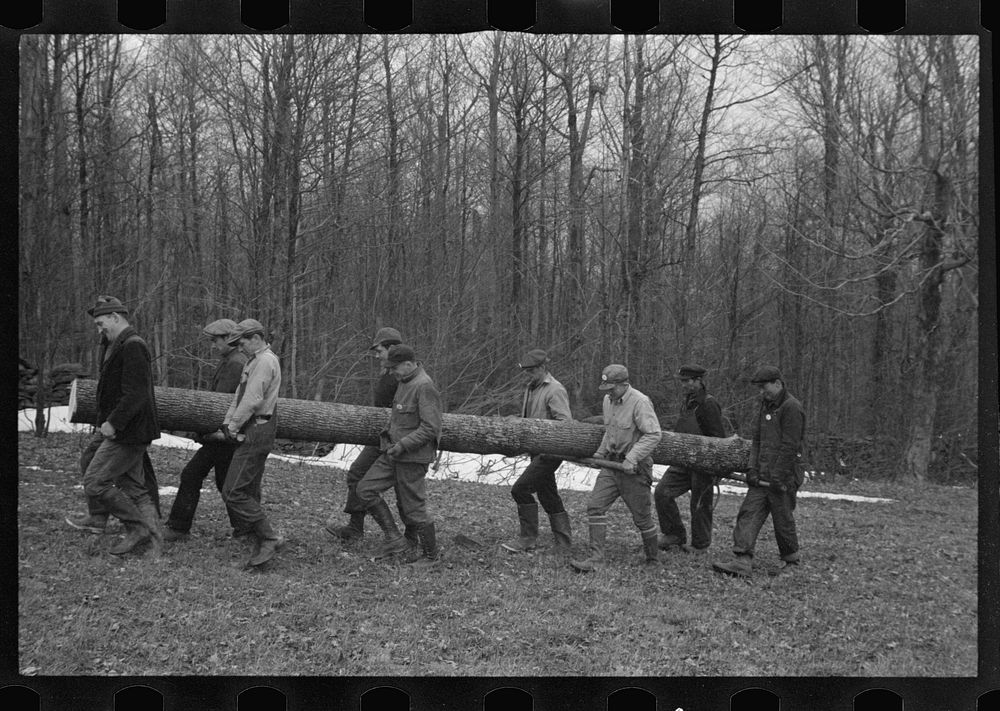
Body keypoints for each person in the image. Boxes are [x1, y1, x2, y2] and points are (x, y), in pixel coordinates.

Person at [65, 296, 162, 556]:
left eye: (101, 324)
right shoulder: (115, 344)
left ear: (115, 317)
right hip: (119, 427)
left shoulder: (133, 345)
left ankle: (138, 529)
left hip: (128, 430)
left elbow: (136, 394)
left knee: (95, 482)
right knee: (130, 485)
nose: (99, 330)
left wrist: (113, 423)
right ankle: (148, 542)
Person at [712, 365, 805, 578]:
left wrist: (779, 476)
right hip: (762, 474)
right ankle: (742, 560)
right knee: (749, 513)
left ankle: (791, 560)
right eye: (759, 388)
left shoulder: (792, 408)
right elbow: (758, 441)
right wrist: (752, 468)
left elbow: (790, 446)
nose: (762, 392)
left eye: (764, 387)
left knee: (782, 518)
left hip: (785, 476)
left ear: (778, 383)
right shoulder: (766, 406)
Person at [355, 344, 443, 566]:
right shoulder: (404, 382)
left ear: (408, 364)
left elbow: (431, 427)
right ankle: (395, 540)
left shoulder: (424, 386)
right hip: (393, 453)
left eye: (394, 368)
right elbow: (398, 418)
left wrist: (403, 445)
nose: (391, 372)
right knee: (365, 489)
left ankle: (431, 556)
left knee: (413, 507)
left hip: (413, 457)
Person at [162, 319, 248, 542]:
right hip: (222, 435)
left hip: (222, 436)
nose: (213, 345)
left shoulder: (235, 363)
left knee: (193, 475)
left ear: (229, 338)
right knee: (225, 483)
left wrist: (206, 431)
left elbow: (220, 404)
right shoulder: (231, 360)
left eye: (216, 340)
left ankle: (178, 527)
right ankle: (245, 529)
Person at [570, 364, 663, 572]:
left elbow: (653, 434)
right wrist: (600, 453)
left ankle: (653, 559)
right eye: (606, 389)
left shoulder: (640, 402)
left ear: (624, 384)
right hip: (611, 465)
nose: (609, 393)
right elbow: (609, 430)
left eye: (612, 389)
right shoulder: (608, 401)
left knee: (642, 518)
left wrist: (632, 458)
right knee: (595, 506)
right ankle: (596, 559)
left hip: (635, 468)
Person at [212, 318, 283, 568]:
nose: (239, 348)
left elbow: (252, 399)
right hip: (251, 427)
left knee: (233, 491)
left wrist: (232, 427)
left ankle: (269, 537)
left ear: (256, 338)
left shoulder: (265, 361)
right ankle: (259, 539)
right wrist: (228, 423)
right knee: (248, 489)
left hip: (258, 429)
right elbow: (238, 397)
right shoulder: (253, 361)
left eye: (242, 343)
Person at [324, 326, 403, 543]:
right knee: (357, 475)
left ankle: (397, 537)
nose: (377, 356)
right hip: (380, 436)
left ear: (392, 348)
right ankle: (355, 529)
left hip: (392, 440)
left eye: (379, 351)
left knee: (399, 492)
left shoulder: (401, 376)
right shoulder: (389, 373)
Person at [501, 349, 574, 554]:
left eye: (531, 370)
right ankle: (564, 543)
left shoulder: (555, 390)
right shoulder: (531, 388)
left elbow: (565, 423)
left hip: (551, 451)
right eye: (526, 371)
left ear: (542, 367)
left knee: (520, 489)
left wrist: (546, 439)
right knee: (547, 493)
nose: (528, 374)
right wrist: (517, 421)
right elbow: (531, 419)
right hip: (536, 450)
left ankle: (527, 538)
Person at [653, 364, 727, 555]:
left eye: (687, 381)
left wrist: (715, 469)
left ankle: (700, 545)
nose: (683, 385)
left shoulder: (708, 404)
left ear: (698, 381)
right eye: (682, 381)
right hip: (682, 461)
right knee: (662, 492)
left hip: (703, 465)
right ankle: (674, 535)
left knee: (700, 504)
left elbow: (718, 438)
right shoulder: (688, 401)